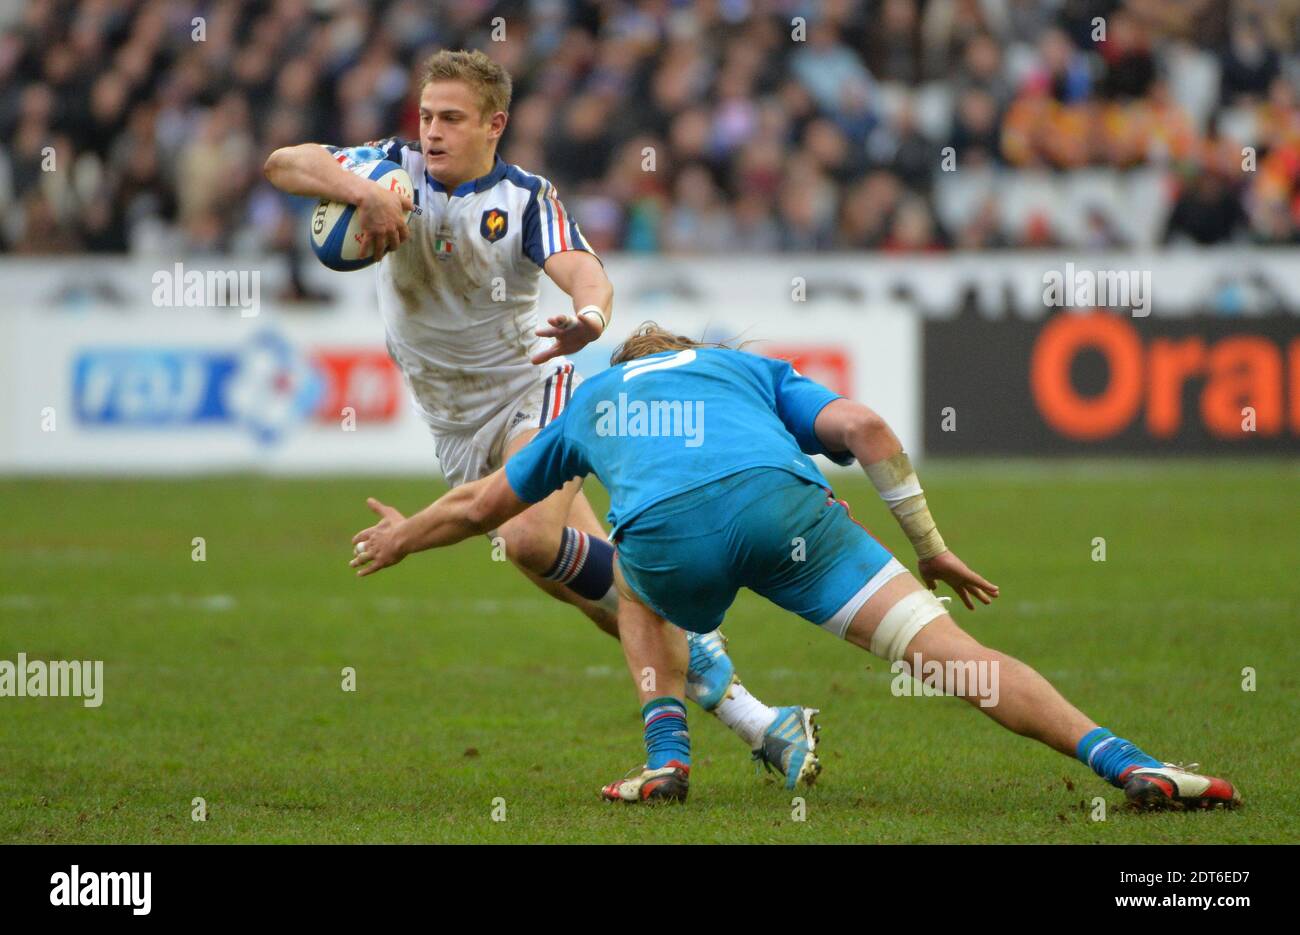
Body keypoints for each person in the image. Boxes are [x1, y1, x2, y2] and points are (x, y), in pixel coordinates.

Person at [349, 322, 1241, 810]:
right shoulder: (747, 365)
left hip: (669, 539)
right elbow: (867, 432)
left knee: (630, 580)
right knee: (954, 662)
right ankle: (1127, 761)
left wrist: (400, 538)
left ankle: (667, 759)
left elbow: (480, 508)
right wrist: (928, 544)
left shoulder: (592, 400)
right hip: (792, 514)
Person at [264, 51, 818, 786]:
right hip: (455, 424)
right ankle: (758, 723)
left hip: (533, 391)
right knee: (609, 598)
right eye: (427, 116)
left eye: (452, 119)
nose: (432, 132)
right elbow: (282, 163)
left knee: (528, 536)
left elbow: (586, 272)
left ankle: (696, 693)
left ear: (495, 125)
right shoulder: (389, 168)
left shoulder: (524, 199)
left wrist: (590, 316)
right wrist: (358, 191)